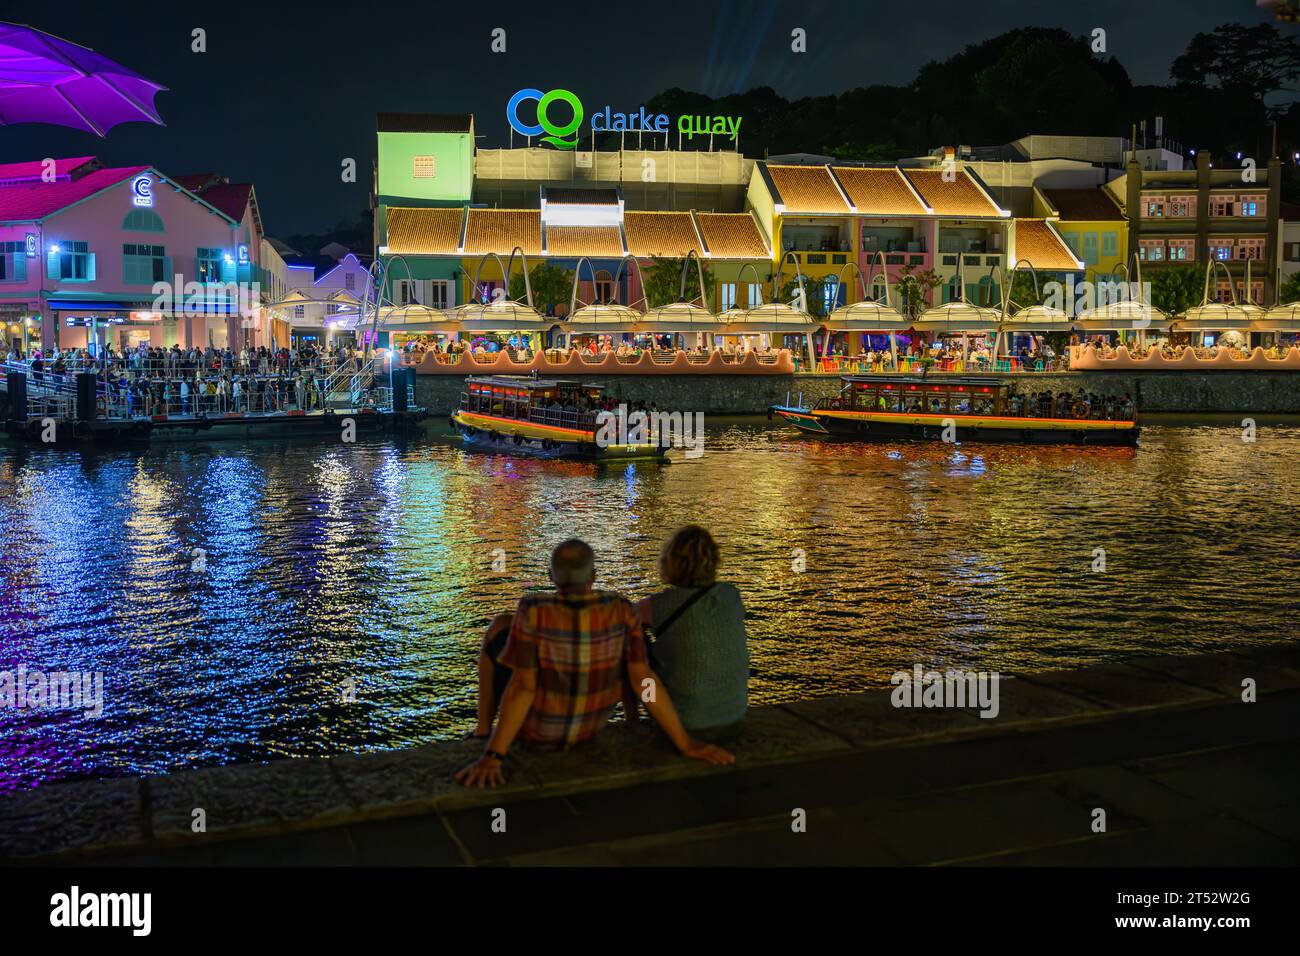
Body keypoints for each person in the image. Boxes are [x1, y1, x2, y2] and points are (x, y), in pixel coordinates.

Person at [456, 539, 734, 789]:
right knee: (633, 657)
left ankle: (482, 730)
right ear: (593, 576)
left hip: (536, 732)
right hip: (590, 728)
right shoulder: (621, 609)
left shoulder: (533, 610)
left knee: (498, 626)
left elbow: (522, 689)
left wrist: (493, 756)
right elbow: (643, 679)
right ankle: (632, 721)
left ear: (551, 576)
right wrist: (684, 743)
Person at [633, 526, 748, 736]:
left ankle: (634, 720)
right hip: (734, 714)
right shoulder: (731, 595)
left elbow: (626, 618)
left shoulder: (656, 606)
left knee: (632, 653)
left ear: (670, 562)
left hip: (684, 720)